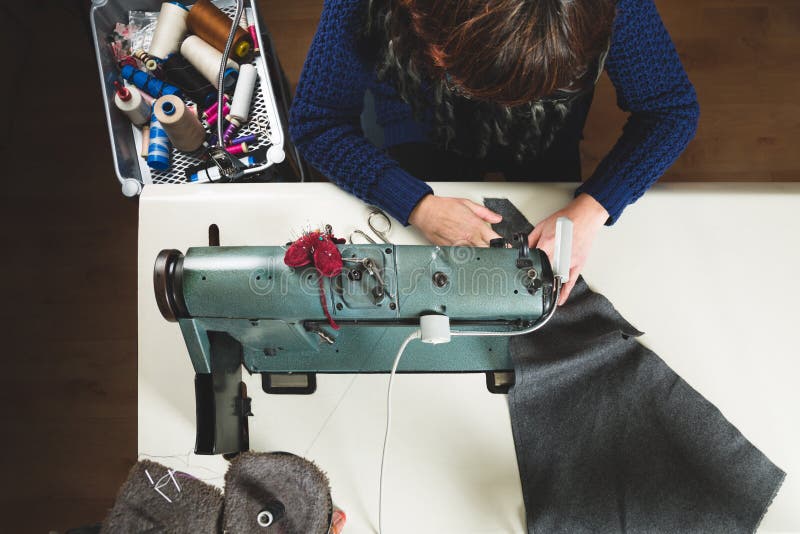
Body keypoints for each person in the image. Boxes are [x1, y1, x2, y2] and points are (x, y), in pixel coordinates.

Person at [289, 0, 699, 304]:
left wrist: (592, 208)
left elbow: (671, 110)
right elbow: (317, 122)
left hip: (545, 133)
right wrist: (415, 204)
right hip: (415, 115)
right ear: (433, 42)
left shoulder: (615, 5)